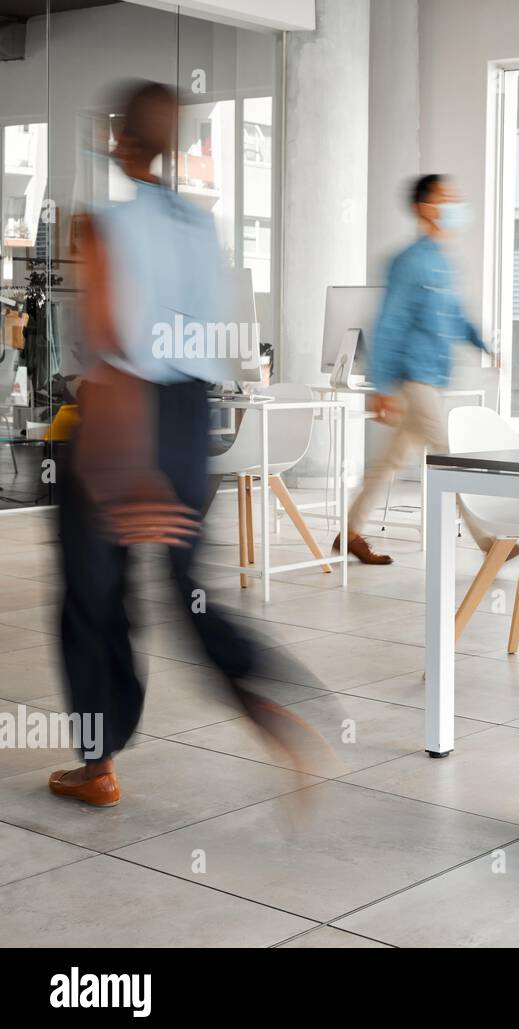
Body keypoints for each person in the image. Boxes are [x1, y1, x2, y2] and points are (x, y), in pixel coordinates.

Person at [50, 80, 325, 807]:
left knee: (93, 593)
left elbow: (109, 344)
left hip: (120, 417)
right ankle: (268, 701)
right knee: (188, 588)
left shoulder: (99, 225)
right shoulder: (201, 227)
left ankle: (97, 759)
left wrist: (125, 464)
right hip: (188, 418)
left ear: (118, 138)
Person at [337, 174, 493, 565]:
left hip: (432, 376)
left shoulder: (443, 261)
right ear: (425, 208)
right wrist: (382, 385)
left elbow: (454, 316)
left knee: (391, 460)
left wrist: (482, 343)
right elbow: (388, 323)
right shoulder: (408, 262)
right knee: (448, 455)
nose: (455, 204)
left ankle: (349, 531)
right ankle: (490, 542)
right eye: (446, 197)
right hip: (414, 378)